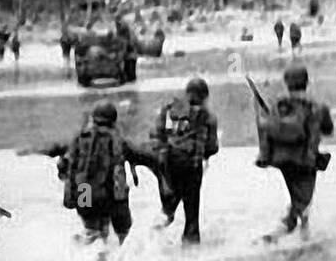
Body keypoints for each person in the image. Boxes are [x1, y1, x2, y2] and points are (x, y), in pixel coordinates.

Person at [56, 101, 156, 244]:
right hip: (108, 194)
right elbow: (141, 156)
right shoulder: (116, 139)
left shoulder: (80, 138)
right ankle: (111, 259)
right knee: (122, 233)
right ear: (113, 120)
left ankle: (79, 255)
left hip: (84, 192)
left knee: (91, 231)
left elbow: (64, 164)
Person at [256, 64, 334, 241]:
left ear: (286, 83)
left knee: (297, 196)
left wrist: (265, 157)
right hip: (305, 160)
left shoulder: (278, 104)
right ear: (307, 82)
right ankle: (277, 234)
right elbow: (328, 130)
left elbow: (268, 130)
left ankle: (303, 232)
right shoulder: (317, 106)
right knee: (303, 200)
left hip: (281, 160)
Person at [151, 77, 219, 244]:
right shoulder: (207, 116)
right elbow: (212, 147)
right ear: (205, 96)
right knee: (191, 213)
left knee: (169, 205)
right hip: (191, 167)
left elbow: (157, 135)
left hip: (169, 165)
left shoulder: (169, 109)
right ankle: (190, 248)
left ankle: (151, 236)